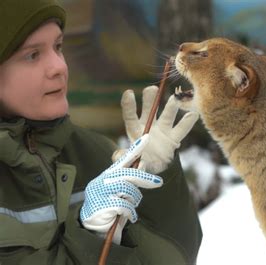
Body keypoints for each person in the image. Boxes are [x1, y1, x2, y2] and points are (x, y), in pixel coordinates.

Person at [0, 0, 202, 264]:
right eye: (32, 55)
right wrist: (89, 238)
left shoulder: (96, 155)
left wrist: (159, 180)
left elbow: (175, 259)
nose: (59, 67)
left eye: (58, 46)